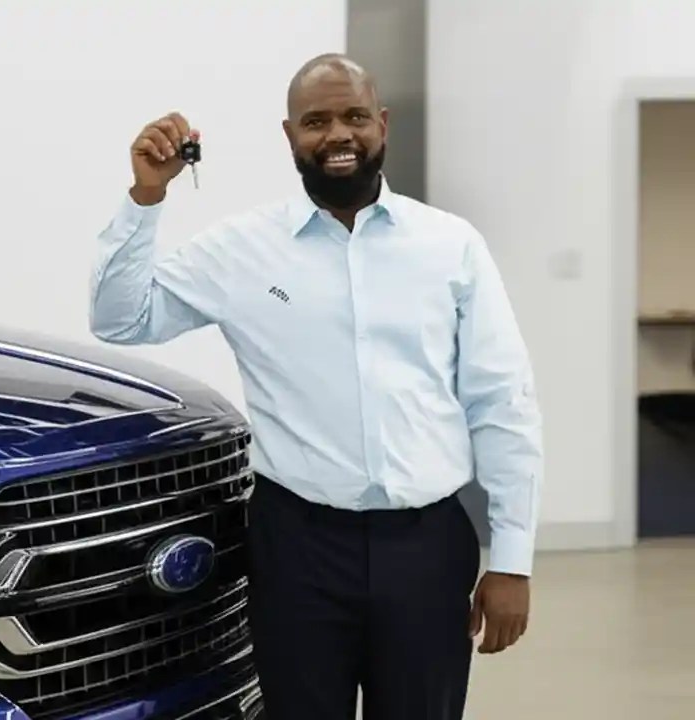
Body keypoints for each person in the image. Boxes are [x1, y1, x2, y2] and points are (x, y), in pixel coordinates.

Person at [87, 53, 542, 720]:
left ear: (381, 125)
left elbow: (503, 403)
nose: (338, 135)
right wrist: (146, 195)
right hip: (296, 548)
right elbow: (120, 318)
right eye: (317, 120)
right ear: (290, 134)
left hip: (427, 546)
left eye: (355, 116)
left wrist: (513, 559)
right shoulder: (242, 250)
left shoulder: (451, 246)